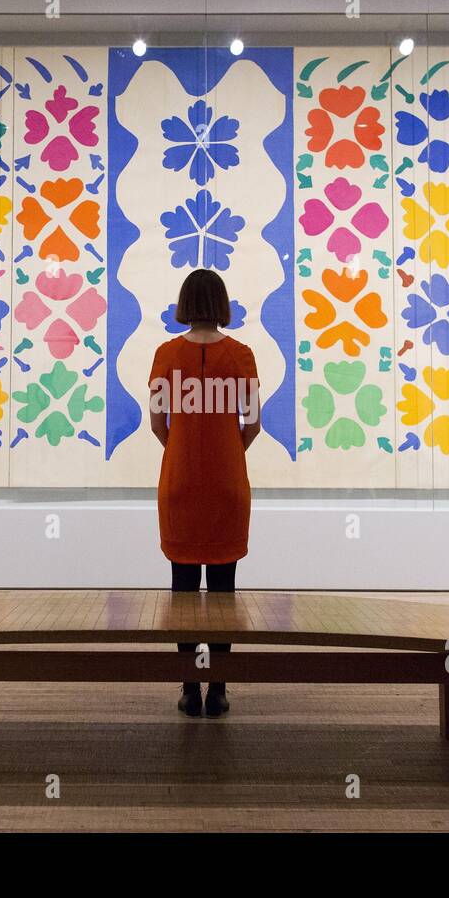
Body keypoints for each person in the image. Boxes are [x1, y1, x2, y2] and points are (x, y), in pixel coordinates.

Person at [148, 269, 261, 718]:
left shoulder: (164, 355)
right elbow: (252, 424)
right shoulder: (242, 356)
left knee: (181, 591)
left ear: (183, 303)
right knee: (222, 593)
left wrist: (181, 450)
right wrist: (228, 451)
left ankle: (188, 688)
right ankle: (218, 689)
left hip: (178, 483)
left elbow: (159, 424)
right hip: (227, 484)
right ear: (222, 304)